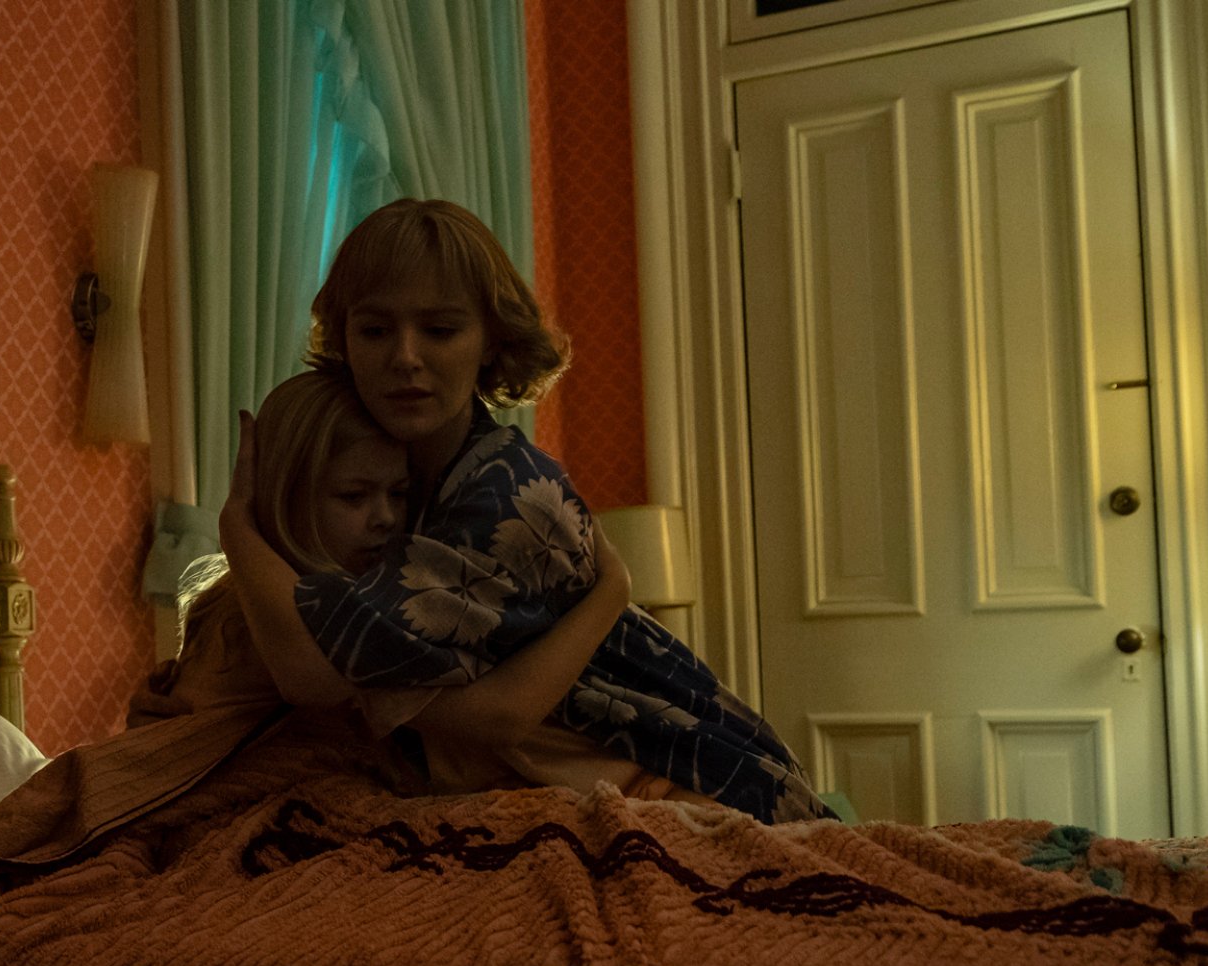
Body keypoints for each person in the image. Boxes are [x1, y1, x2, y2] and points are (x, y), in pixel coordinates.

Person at [218, 198, 829, 823]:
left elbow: (315, 673)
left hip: (692, 781)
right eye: (375, 330)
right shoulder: (395, 487)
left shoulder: (506, 497)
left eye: (440, 330)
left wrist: (235, 527)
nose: (404, 356)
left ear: (489, 342)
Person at [170, 371, 658, 796]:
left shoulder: (405, 590)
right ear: (285, 498)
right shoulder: (277, 619)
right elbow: (498, 717)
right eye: (353, 495)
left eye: (398, 493)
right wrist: (613, 589)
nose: (384, 517)